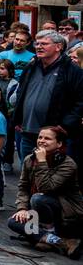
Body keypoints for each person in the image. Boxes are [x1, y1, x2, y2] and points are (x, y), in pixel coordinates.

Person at [11, 30, 83, 166]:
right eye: (37, 43)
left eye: (44, 43)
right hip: (27, 133)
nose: (38, 46)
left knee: (50, 178)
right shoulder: (31, 66)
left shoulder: (72, 71)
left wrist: (65, 124)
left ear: (58, 47)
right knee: (27, 176)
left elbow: (80, 102)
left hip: (54, 137)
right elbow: (21, 92)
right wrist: (18, 117)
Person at [8, 126, 83, 255]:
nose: (41, 141)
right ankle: (60, 242)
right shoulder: (29, 160)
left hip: (65, 216)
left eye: (47, 138)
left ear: (59, 144)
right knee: (14, 221)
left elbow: (46, 187)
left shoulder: (68, 164)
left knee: (38, 198)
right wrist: (22, 209)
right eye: (40, 137)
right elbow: (23, 187)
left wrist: (42, 161)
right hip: (39, 213)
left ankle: (43, 237)